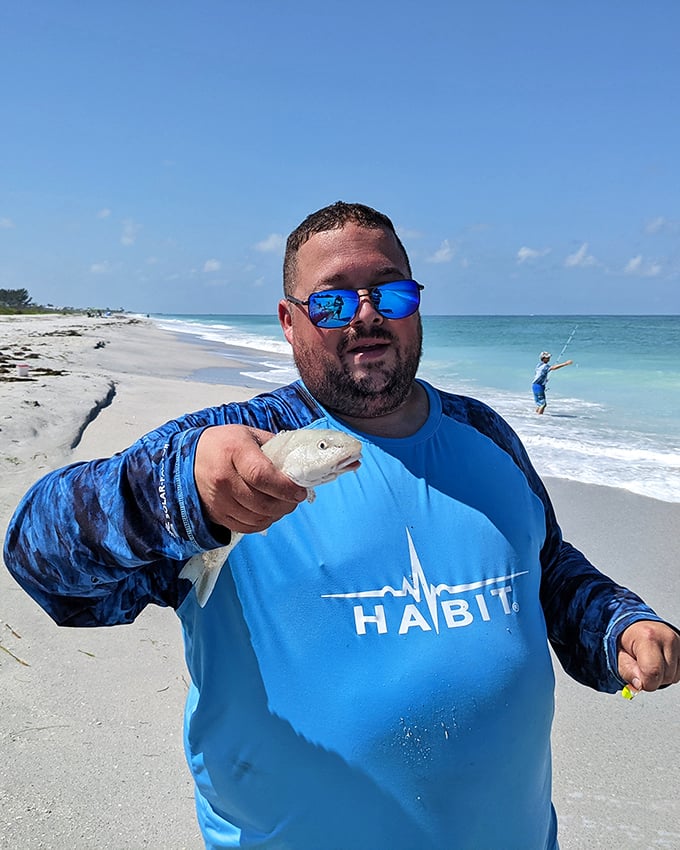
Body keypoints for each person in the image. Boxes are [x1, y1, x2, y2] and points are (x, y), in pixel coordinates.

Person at [4, 202, 679, 850]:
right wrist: (174, 491)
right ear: (290, 322)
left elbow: (546, 569)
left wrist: (616, 624)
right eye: (331, 301)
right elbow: (38, 555)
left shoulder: (487, 435)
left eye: (390, 294)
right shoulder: (233, 453)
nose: (366, 317)